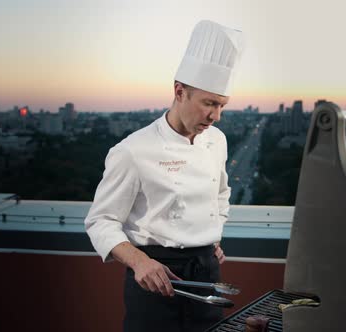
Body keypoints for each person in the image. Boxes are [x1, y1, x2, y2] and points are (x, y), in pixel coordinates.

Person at [84, 20, 244, 332]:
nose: (216, 116)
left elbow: (221, 194)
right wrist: (139, 262)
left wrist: (211, 234)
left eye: (222, 106)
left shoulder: (218, 140)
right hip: (155, 276)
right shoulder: (133, 150)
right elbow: (100, 221)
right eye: (209, 103)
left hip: (206, 273)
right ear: (179, 91)